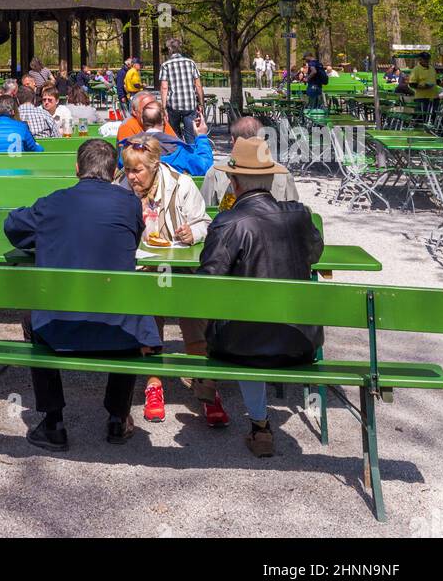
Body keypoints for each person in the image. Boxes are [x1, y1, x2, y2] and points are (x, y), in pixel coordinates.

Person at [3, 137, 158, 448]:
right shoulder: (129, 204)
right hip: (119, 331)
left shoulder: (52, 203)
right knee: (131, 307)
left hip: (59, 329)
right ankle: (117, 417)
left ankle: (53, 421)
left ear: (76, 169)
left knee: (30, 314)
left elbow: (13, 227)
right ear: (114, 170)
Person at [198, 136, 324, 457]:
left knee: (240, 325)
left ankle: (255, 420)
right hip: (301, 342)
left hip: (243, 348)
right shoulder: (299, 214)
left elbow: (205, 284)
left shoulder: (227, 223)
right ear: (271, 178)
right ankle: (259, 422)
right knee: (256, 322)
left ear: (233, 181)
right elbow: (315, 255)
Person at [117, 134, 228, 428]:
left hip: (179, 265)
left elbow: (204, 222)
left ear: (154, 166)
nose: (131, 176)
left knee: (193, 318)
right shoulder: (122, 187)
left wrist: (194, 232)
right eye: (128, 169)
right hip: (143, 267)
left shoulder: (181, 184)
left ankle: (206, 386)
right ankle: (154, 384)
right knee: (150, 319)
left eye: (137, 171)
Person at [201, 115, 300, 207]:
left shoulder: (215, 172)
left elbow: (206, 211)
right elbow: (293, 209)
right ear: (263, 139)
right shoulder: (283, 172)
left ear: (233, 141)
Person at [136, 99, 213, 177]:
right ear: (166, 118)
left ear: (142, 120)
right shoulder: (179, 151)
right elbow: (205, 167)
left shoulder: (128, 148)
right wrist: (201, 137)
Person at [159, 38, 205, 144]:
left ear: (170, 49)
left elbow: (164, 87)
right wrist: (201, 104)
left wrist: (164, 107)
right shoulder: (191, 63)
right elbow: (198, 85)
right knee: (191, 135)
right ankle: (191, 155)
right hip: (190, 104)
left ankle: (178, 155)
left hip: (173, 105)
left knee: (174, 135)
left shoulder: (166, 65)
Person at [408, 51, 439, 121]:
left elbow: (435, 80)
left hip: (434, 97)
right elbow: (412, 84)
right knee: (422, 118)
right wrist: (424, 87)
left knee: (434, 117)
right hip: (422, 98)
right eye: (425, 59)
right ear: (420, 59)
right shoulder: (416, 69)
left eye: (428, 59)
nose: (427, 60)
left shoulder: (432, 68)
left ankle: (431, 131)